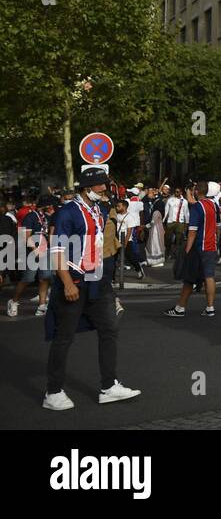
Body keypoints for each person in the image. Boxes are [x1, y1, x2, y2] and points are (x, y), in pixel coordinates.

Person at [42, 168, 140, 411]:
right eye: (99, 186)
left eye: (104, 185)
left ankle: (109, 386)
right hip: (74, 279)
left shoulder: (98, 210)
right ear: (87, 188)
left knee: (109, 329)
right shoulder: (67, 213)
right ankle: (53, 392)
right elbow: (57, 251)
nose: (104, 189)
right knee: (64, 337)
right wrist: (66, 282)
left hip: (98, 280)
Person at [166, 184, 220, 318]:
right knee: (209, 276)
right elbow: (218, 227)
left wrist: (187, 250)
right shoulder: (214, 206)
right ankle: (210, 307)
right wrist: (216, 242)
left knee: (189, 278)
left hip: (198, 246)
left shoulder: (197, 207)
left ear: (196, 191)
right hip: (211, 246)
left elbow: (192, 231)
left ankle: (180, 308)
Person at [7, 192, 57, 317]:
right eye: (51, 205)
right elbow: (25, 237)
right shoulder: (31, 217)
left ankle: (41, 305)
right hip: (32, 251)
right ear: (46, 205)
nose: (52, 207)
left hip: (46, 250)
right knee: (28, 278)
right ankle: (14, 301)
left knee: (45, 277)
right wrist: (35, 250)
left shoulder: (48, 217)